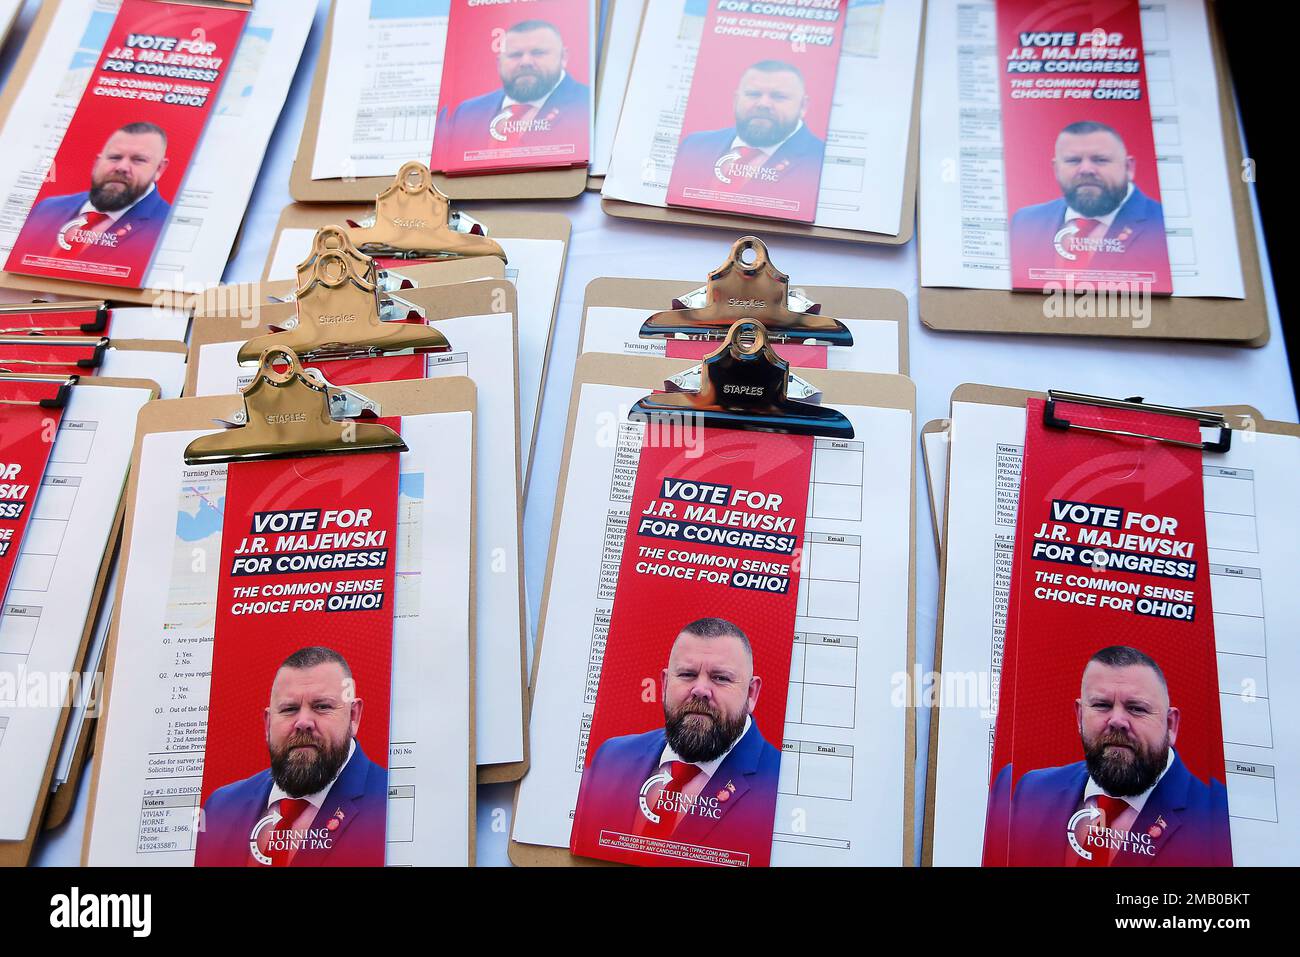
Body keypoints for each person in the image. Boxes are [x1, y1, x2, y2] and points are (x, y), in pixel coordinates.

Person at [984, 645, 1232, 867]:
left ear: (1171, 725)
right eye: (1102, 705)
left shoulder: (1219, 817)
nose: (1117, 721)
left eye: (1136, 708)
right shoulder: (1027, 791)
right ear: (1080, 716)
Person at [572, 618, 782, 856]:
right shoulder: (611, 757)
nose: (700, 689)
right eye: (687, 674)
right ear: (664, 685)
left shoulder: (778, 785)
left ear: (752, 693)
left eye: (721, 678)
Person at [195, 647, 388, 867]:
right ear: (268, 724)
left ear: (353, 716)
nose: (303, 721)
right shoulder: (220, 807)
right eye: (289, 709)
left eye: (322, 706)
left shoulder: (390, 806)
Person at [1008, 120, 1168, 275]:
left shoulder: (1162, 225)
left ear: (1128, 168)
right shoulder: (1025, 222)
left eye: (1100, 160)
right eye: (1073, 160)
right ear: (1056, 169)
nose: (1086, 169)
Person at [440, 19, 589, 155]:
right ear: (499, 63)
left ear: (563, 57)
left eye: (538, 53)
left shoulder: (588, 106)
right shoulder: (466, 113)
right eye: (515, 55)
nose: (525, 62)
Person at [23, 122, 172, 257]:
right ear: (97, 162)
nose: (121, 167)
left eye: (138, 160)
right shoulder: (46, 208)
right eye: (114, 157)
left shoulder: (168, 228)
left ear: (159, 169)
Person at [673, 60, 826, 191]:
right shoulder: (694, 145)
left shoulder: (820, 162)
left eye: (778, 96)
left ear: (803, 106)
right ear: (736, 100)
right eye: (753, 94)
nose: (763, 104)